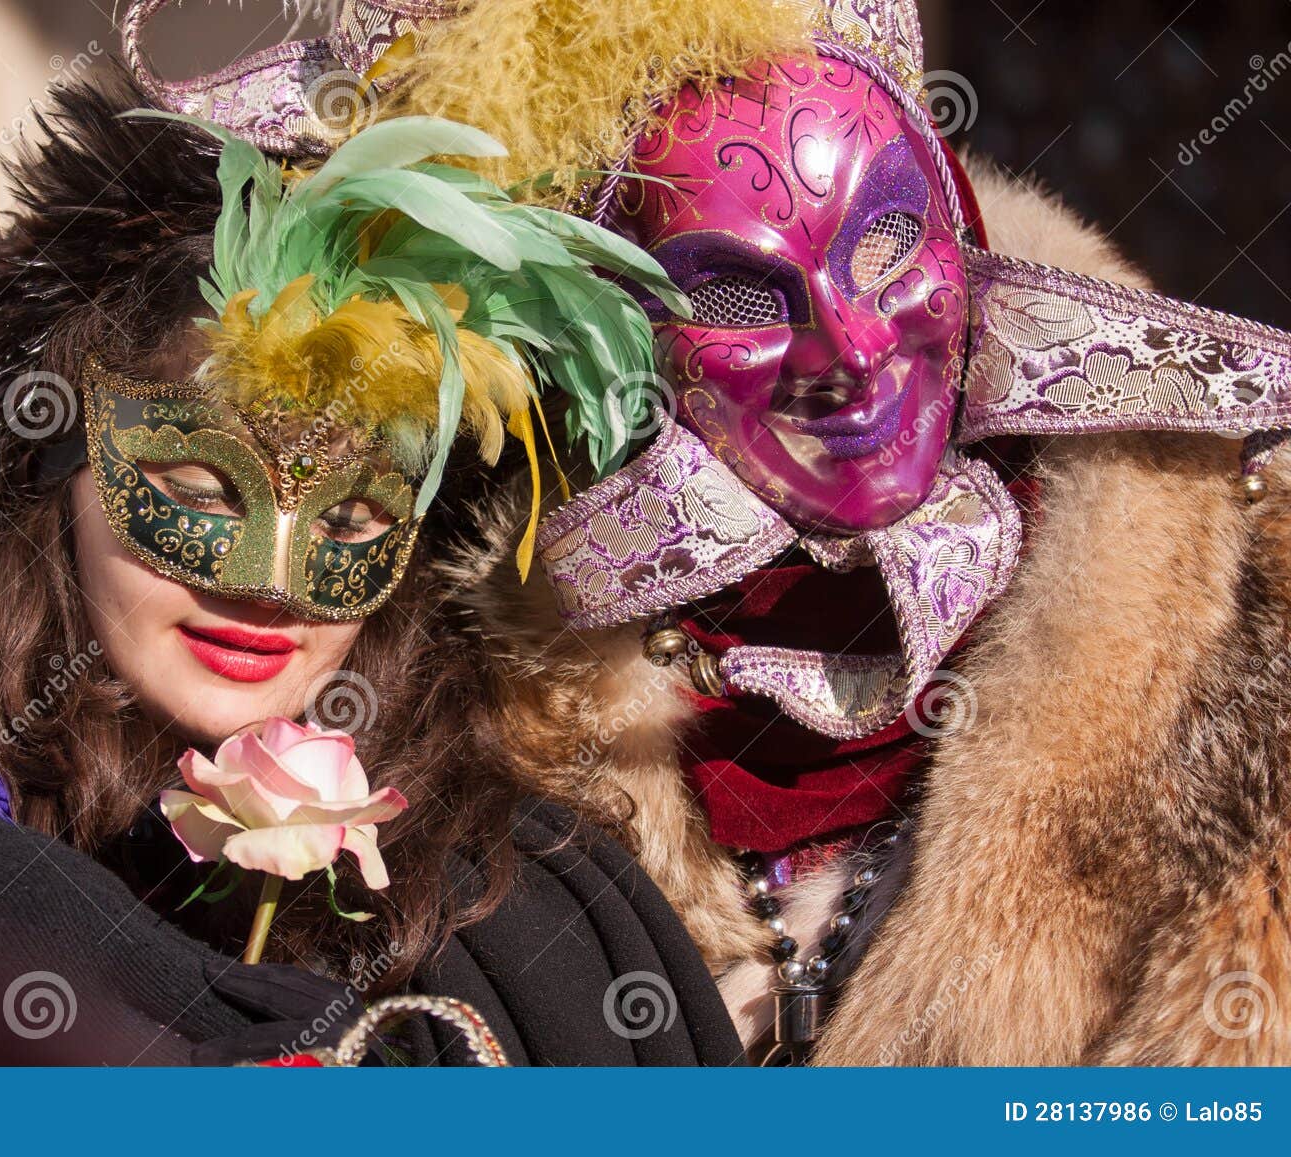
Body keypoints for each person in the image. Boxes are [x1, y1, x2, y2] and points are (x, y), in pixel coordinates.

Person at [0, 41, 740, 1066]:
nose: (267, 586)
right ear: (62, 468)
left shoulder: (518, 891)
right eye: (196, 492)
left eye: (348, 520)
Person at [360, 0, 1291, 1063]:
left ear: (962, 238)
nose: (848, 352)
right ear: (613, 338)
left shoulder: (1255, 615)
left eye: (888, 240)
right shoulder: (426, 687)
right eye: (740, 291)